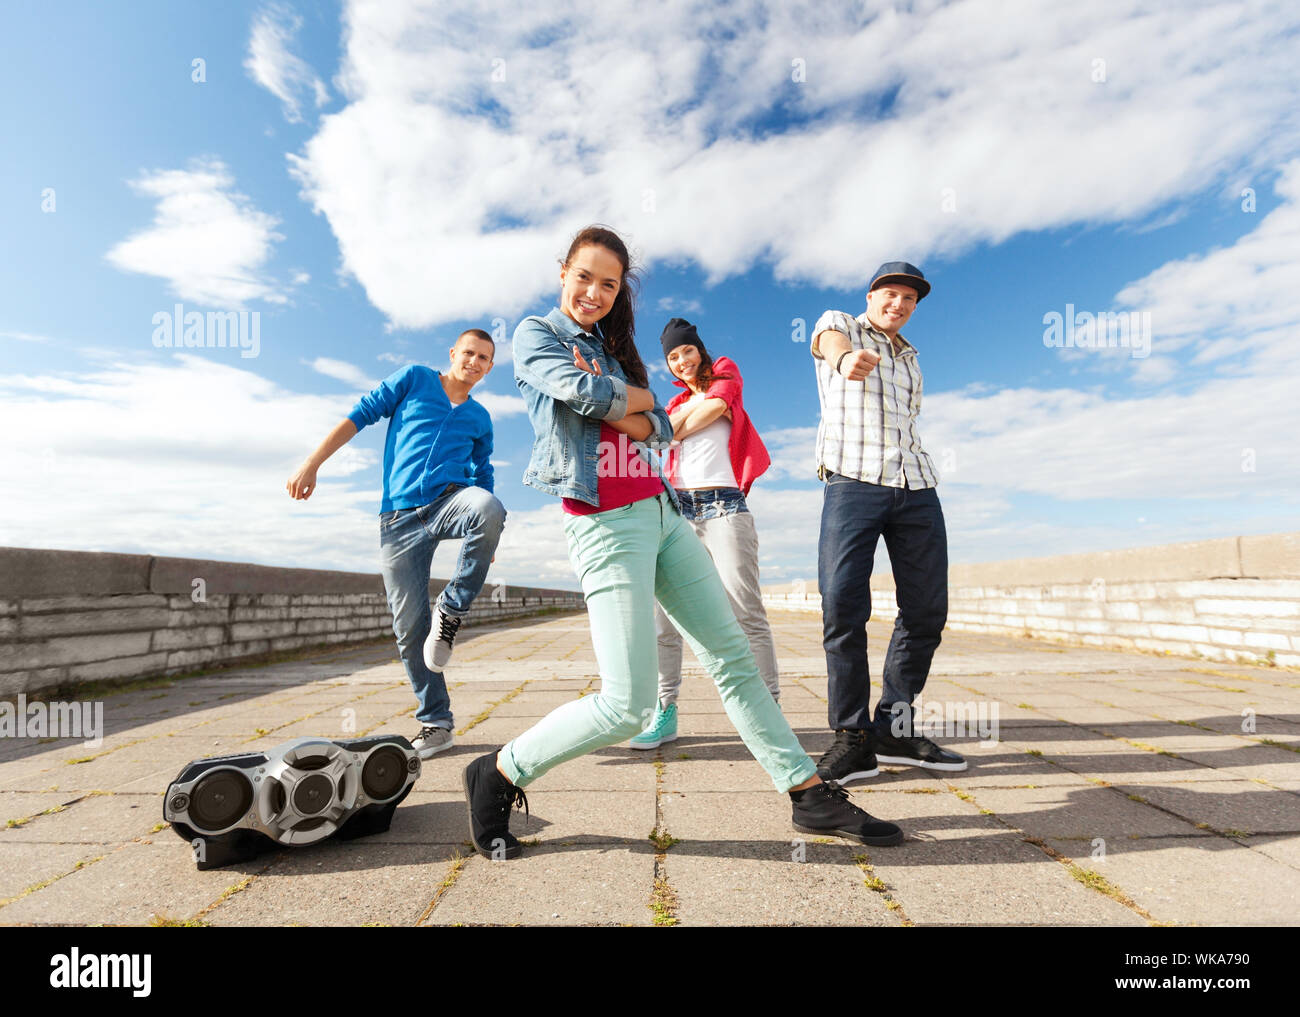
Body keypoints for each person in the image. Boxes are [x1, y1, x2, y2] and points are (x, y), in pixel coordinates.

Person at [460, 225, 904, 859]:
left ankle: (808, 793)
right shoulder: (535, 334)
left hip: (664, 512)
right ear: (563, 272)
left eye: (608, 284)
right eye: (584, 277)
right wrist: (633, 404)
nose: (594, 291)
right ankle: (500, 770)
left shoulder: (611, 351)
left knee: (732, 655)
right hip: (603, 518)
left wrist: (629, 404)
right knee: (628, 703)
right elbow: (587, 396)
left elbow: (658, 427)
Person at [286, 329, 506, 759]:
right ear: (452, 354)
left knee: (489, 507)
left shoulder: (480, 417)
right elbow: (360, 415)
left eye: (484, 358)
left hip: (449, 501)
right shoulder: (415, 379)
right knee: (409, 629)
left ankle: (452, 608)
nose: (474, 363)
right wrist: (312, 464)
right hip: (398, 519)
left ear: (490, 367)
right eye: (468, 353)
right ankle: (437, 723)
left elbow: (484, 475)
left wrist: (489, 529)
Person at [809, 261, 967, 783]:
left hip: (917, 486)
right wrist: (847, 358)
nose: (898, 304)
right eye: (890, 294)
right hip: (853, 482)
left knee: (925, 612)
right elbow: (829, 342)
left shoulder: (913, 359)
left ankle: (894, 728)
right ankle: (852, 738)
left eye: (909, 299)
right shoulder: (842, 325)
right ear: (872, 295)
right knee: (843, 607)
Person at [629, 318, 780, 750]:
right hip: (677, 511)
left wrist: (676, 423)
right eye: (673, 357)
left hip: (725, 506)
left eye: (687, 352)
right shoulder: (673, 403)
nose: (682, 361)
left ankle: (768, 712)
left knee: (745, 612)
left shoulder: (727, 373)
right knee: (662, 621)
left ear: (700, 350)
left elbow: (705, 412)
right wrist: (677, 420)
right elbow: (660, 439)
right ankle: (665, 712)